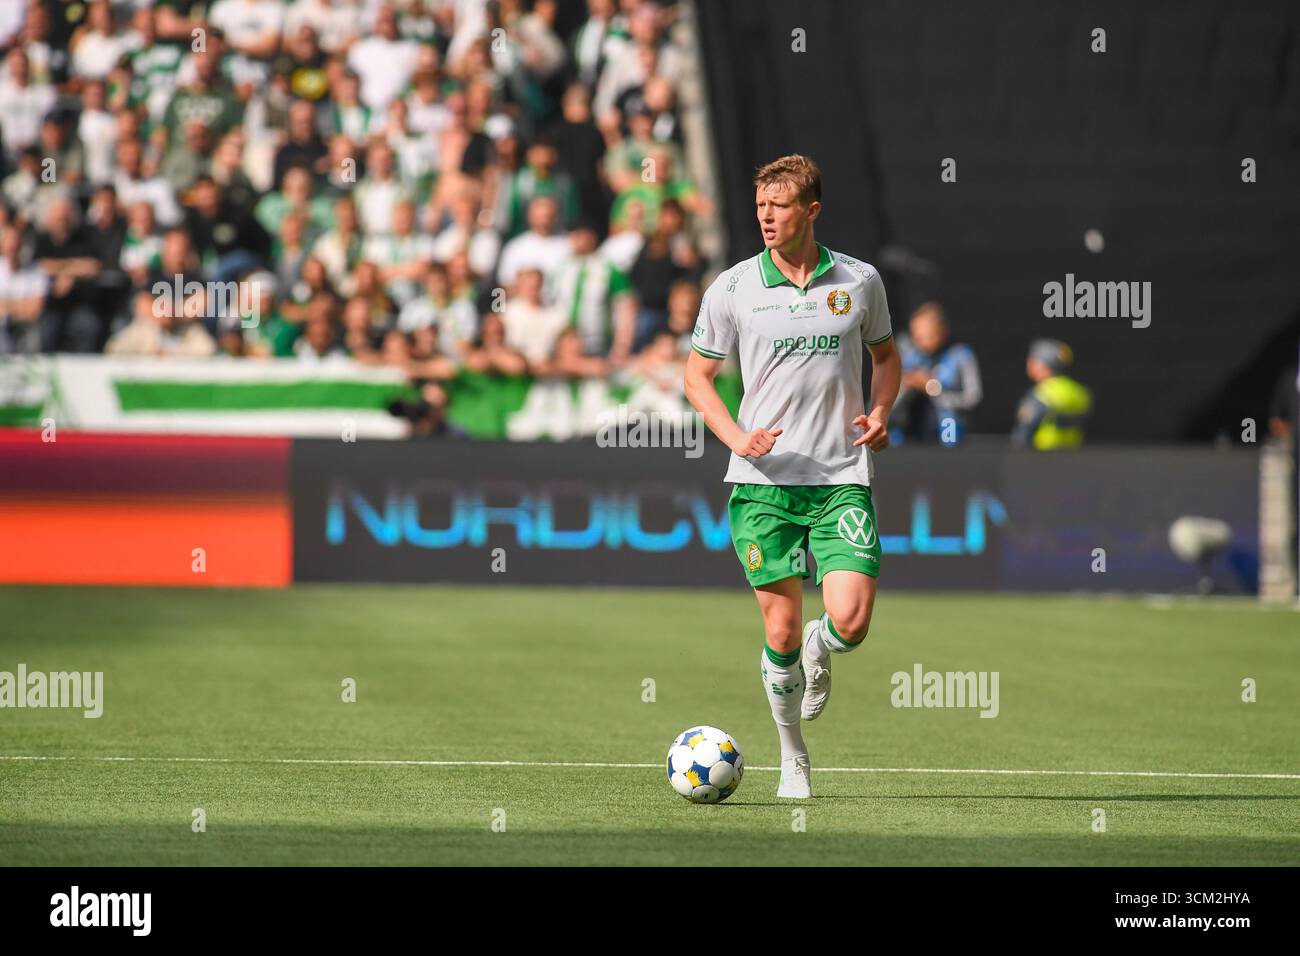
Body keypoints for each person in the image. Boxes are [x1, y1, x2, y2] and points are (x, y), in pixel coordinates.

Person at [683, 154, 900, 799]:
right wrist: (738, 437)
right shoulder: (731, 288)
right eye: (759, 208)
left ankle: (821, 643)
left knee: (852, 623)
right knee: (775, 631)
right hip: (762, 482)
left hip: (840, 475)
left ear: (811, 210)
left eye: (778, 207)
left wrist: (883, 409)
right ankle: (792, 754)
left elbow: (886, 357)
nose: (766, 218)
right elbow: (696, 379)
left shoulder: (860, 282)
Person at [893, 301, 982, 444]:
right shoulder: (909, 356)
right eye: (917, 337)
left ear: (942, 331)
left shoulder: (960, 355)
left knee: (949, 427)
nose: (922, 343)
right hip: (909, 428)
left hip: (947, 429)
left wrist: (933, 387)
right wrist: (905, 384)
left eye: (929, 336)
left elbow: (973, 398)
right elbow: (884, 402)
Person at [1011, 339, 1092, 449]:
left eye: (1032, 360)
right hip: (1074, 456)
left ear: (1042, 364)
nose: (1029, 364)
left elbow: (1023, 435)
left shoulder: (1041, 394)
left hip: (1043, 457)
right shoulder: (1079, 392)